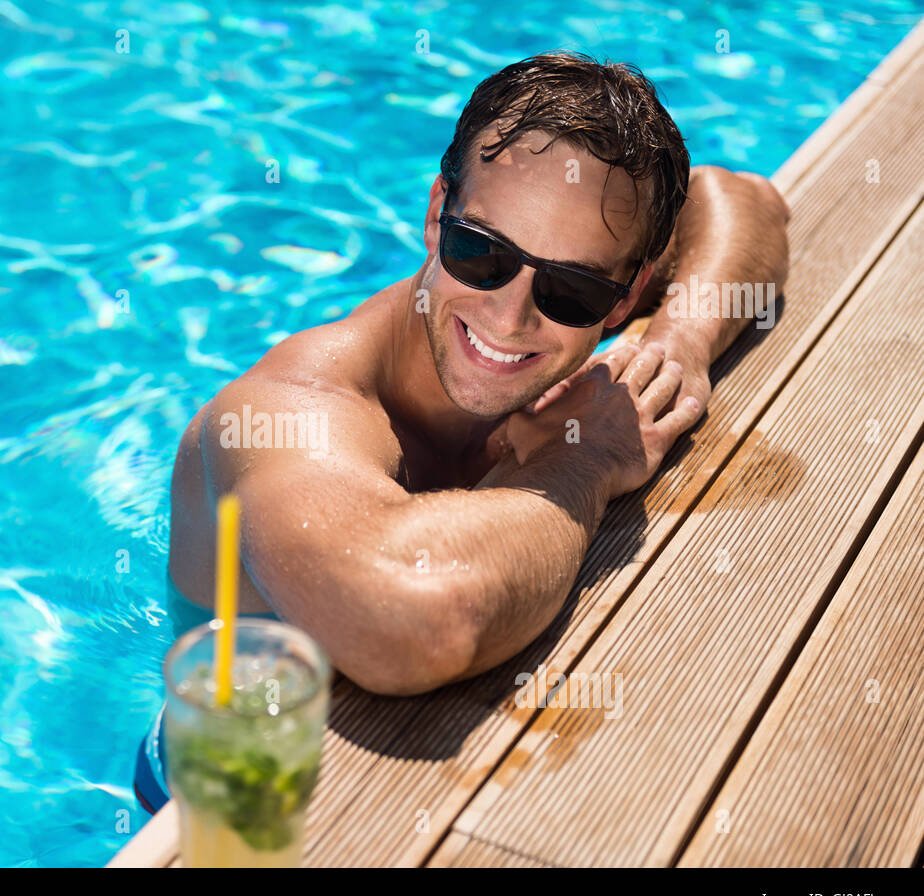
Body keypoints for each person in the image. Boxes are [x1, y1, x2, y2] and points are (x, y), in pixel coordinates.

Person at [136, 51, 790, 813]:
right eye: (480, 252)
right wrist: (590, 461)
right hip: (228, 784)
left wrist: (676, 341)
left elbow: (741, 197)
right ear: (436, 210)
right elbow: (418, 614)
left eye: (570, 289)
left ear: (626, 295)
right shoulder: (290, 405)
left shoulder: (625, 308)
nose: (509, 319)